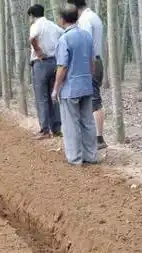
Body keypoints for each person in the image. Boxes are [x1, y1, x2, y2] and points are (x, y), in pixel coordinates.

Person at [52, 5, 97, 166]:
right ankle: (91, 155)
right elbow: (92, 63)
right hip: (86, 85)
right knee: (88, 122)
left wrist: (56, 88)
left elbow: (62, 66)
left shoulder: (64, 39)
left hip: (70, 88)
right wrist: (88, 79)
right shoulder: (86, 36)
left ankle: (75, 158)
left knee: (71, 124)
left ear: (62, 20)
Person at [70, 0, 106, 149]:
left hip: (89, 63)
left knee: (94, 100)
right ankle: (95, 137)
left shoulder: (84, 20)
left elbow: (85, 44)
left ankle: (98, 138)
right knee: (94, 99)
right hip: (97, 60)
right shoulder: (94, 16)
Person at [28, 4, 63, 139]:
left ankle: (44, 130)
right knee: (53, 95)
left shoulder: (36, 25)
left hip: (40, 63)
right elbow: (62, 35)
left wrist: (38, 51)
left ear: (32, 15)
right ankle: (57, 128)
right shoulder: (52, 25)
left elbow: (32, 38)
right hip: (54, 62)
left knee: (41, 97)